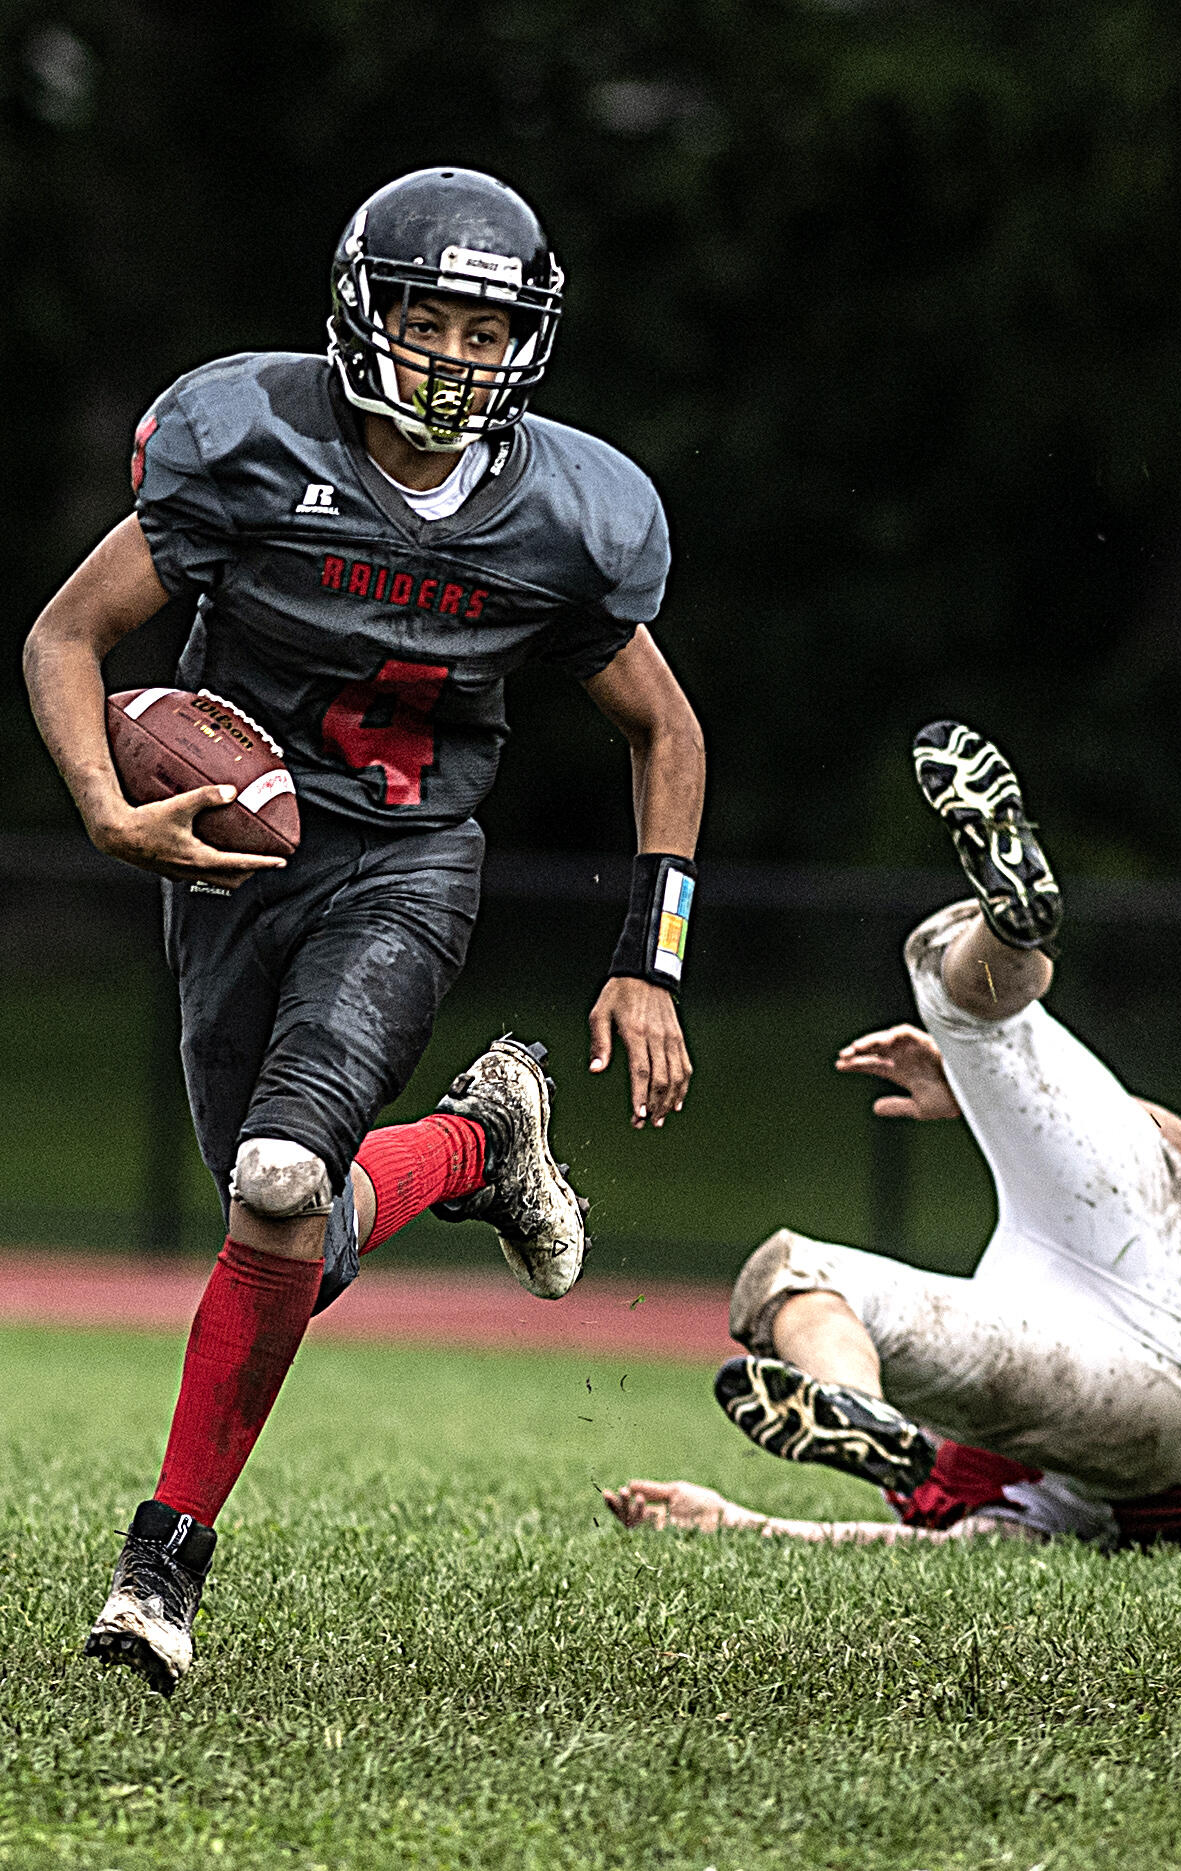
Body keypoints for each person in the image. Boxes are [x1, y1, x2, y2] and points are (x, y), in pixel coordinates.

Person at [23, 167, 705, 1693]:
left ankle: (161, 1566)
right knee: (287, 1234)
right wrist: (108, 813)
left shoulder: (563, 518)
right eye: (426, 316)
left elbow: (664, 729)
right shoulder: (248, 447)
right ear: (360, 313)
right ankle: (478, 1140)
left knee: (277, 1180)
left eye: (485, 327)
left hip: (405, 863)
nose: (455, 354)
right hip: (231, 866)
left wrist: (649, 956)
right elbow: (67, 633)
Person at [607, 724, 1181, 1553]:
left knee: (783, 1274)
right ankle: (1012, 933)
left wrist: (750, 1523)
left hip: (1145, 1438)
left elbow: (972, 1545)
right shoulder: (1020, 1322)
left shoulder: (981, 1397)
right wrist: (986, 1097)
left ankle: (861, 1402)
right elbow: (1176, 1150)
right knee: (940, 967)